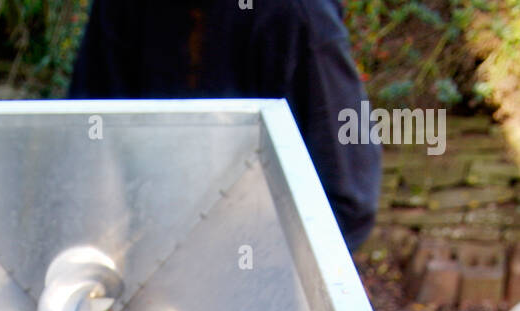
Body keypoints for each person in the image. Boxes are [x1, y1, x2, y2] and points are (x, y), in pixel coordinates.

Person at [69, 0, 381, 251]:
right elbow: (86, 143)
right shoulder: (121, 8)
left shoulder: (298, 14)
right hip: (140, 273)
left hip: (258, 282)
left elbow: (347, 200)